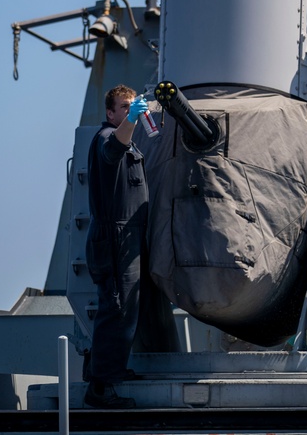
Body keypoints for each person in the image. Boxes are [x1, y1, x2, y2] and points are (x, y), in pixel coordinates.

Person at [83, 84, 174, 409]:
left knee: (127, 310)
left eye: (131, 106)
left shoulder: (130, 144)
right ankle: (100, 388)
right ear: (111, 113)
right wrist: (131, 120)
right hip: (115, 239)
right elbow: (112, 152)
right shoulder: (108, 137)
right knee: (117, 309)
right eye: (123, 107)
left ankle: (109, 370)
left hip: (130, 238)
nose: (128, 111)